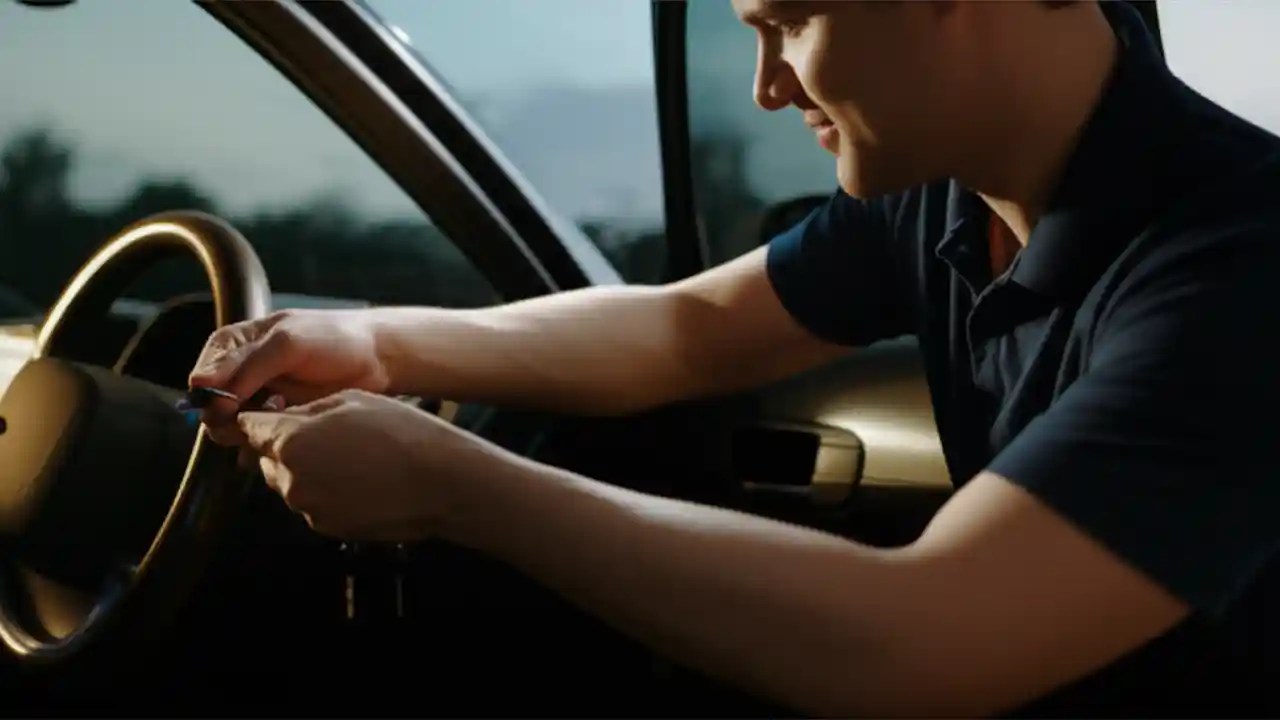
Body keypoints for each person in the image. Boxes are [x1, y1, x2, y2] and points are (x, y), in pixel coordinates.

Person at [190, 1, 1280, 715]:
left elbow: (923, 637)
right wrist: (378, 340)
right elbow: (686, 327)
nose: (766, 86)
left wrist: (452, 486)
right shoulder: (934, 189)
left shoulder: (1241, 265)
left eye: (790, 22)